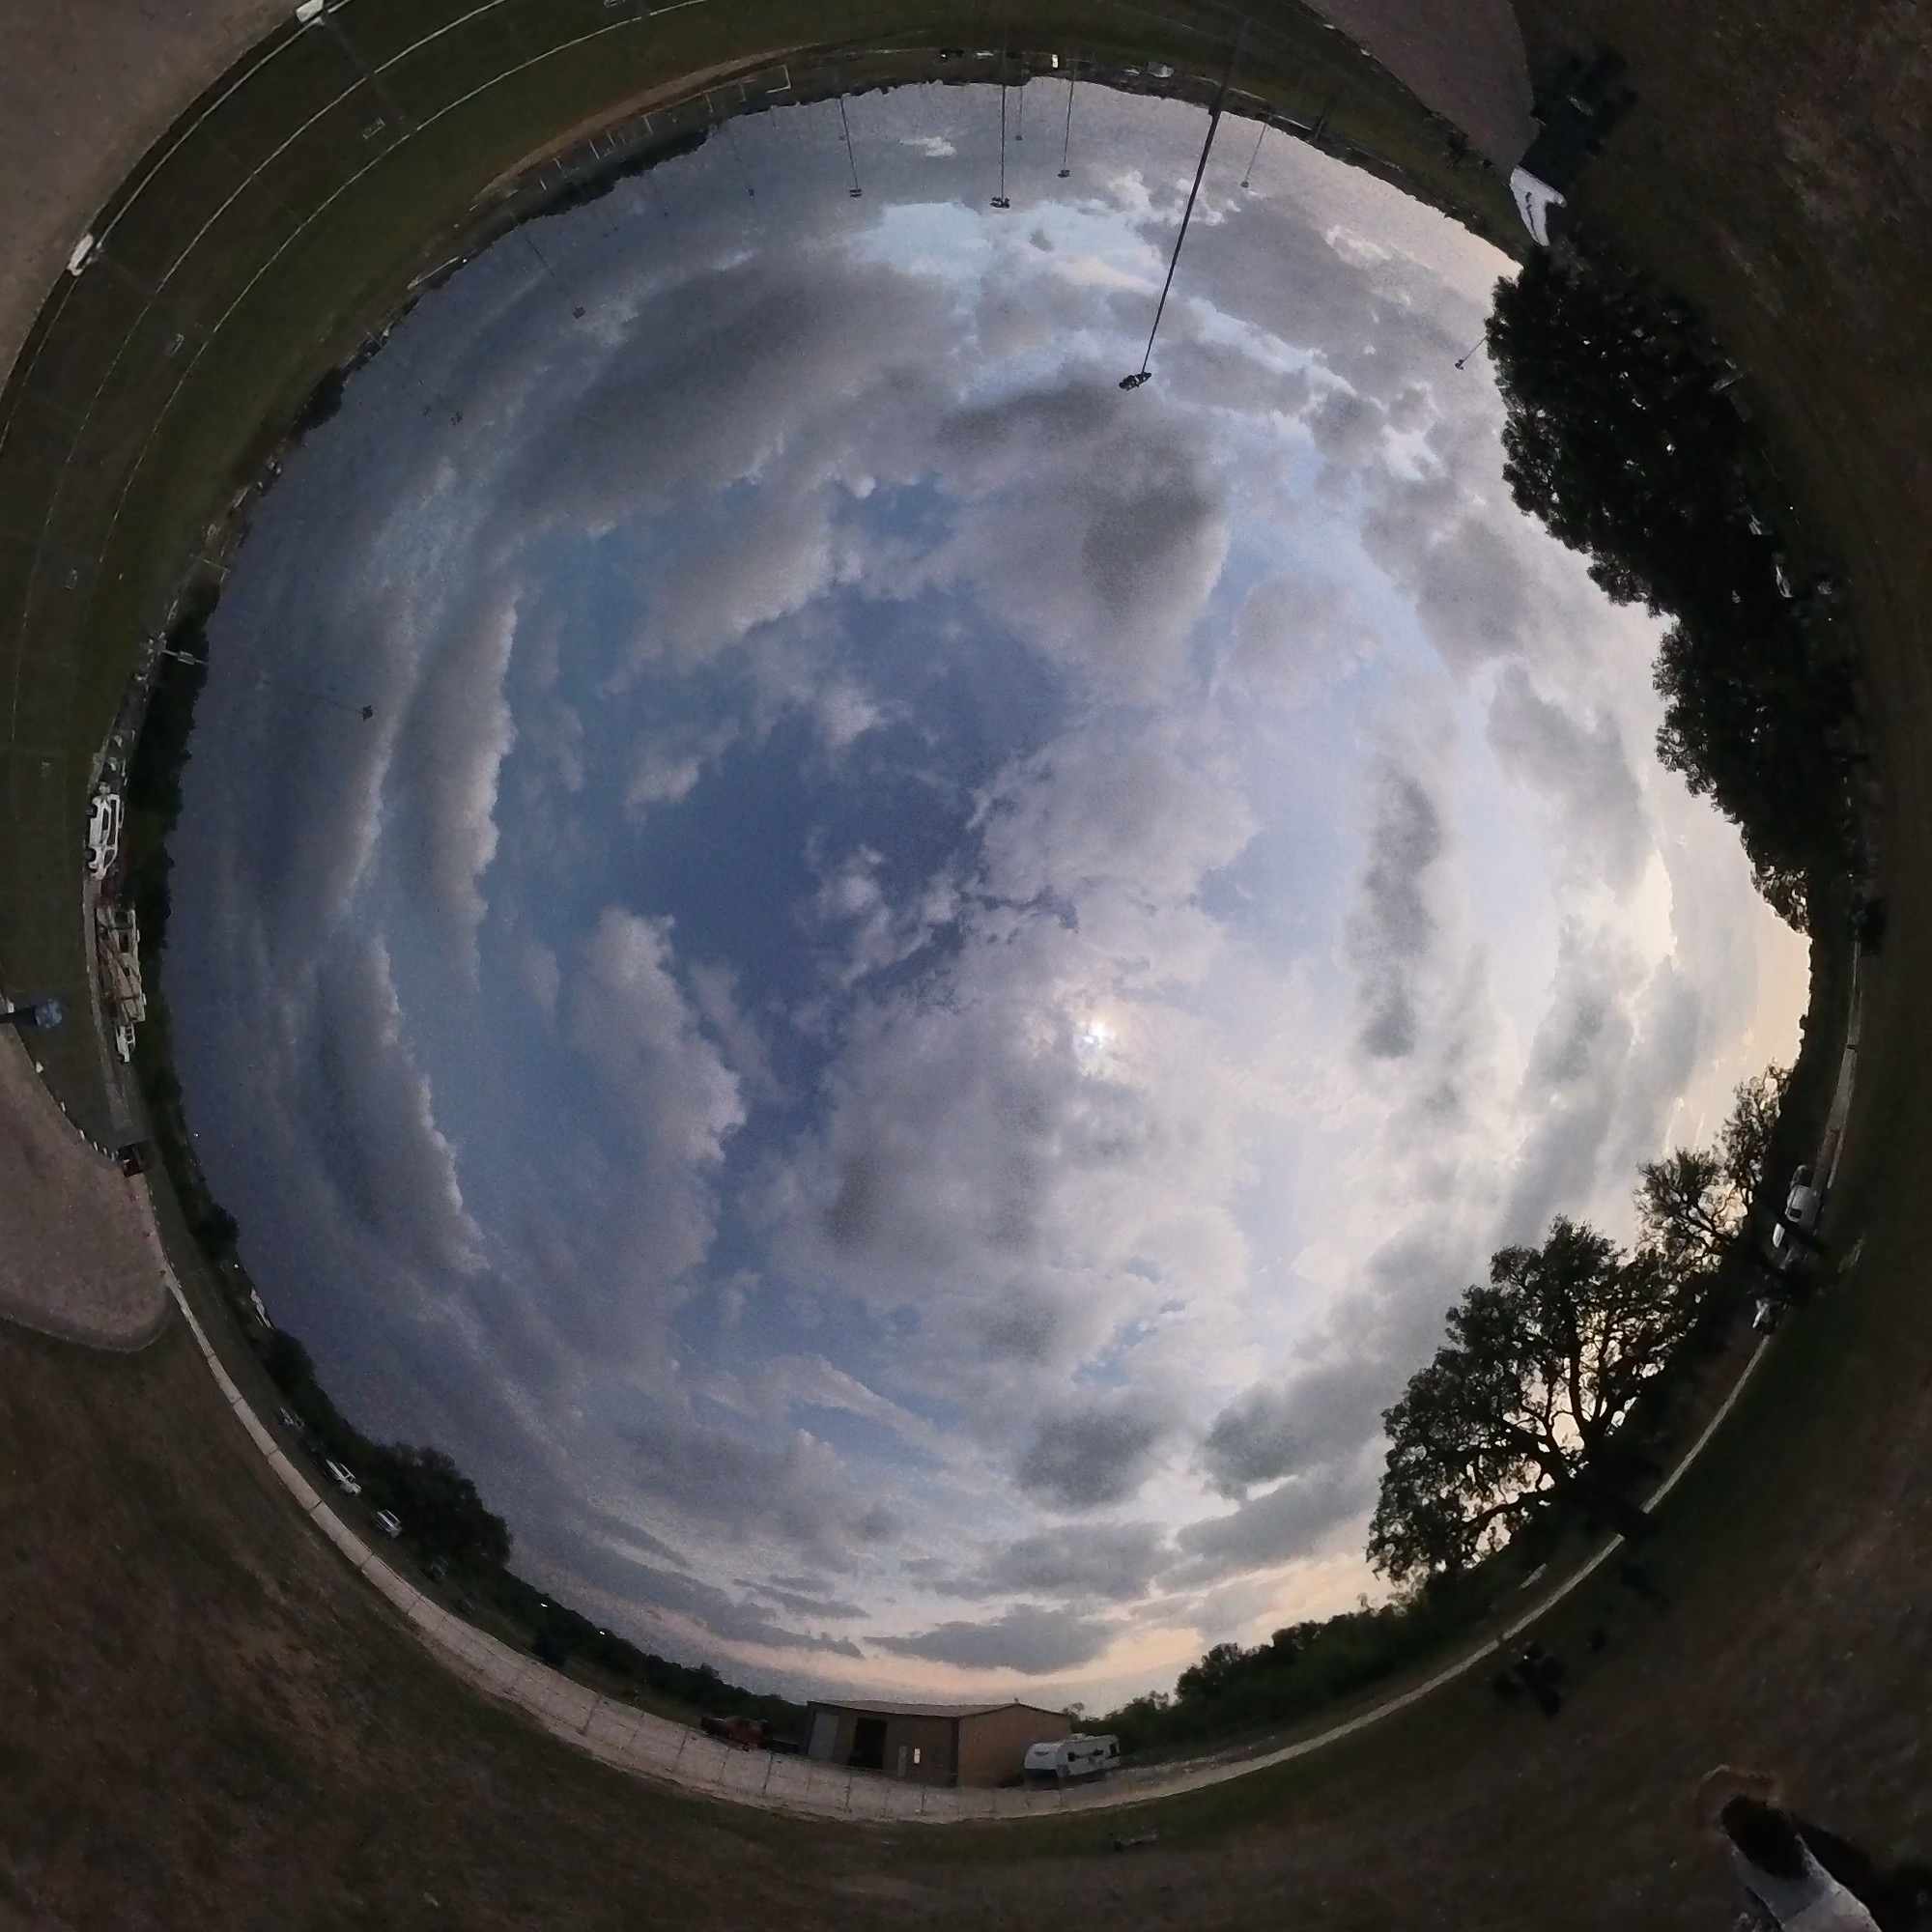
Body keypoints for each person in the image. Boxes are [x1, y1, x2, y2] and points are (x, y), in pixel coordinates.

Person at [1696, 1768, 1886, 1929]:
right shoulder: (1784, 1825)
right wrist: (1739, 1775)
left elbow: (1707, 1833)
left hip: (1803, 1926)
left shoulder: (1740, 1859)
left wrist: (1702, 1798)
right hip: (1839, 1905)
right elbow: (1773, 1786)